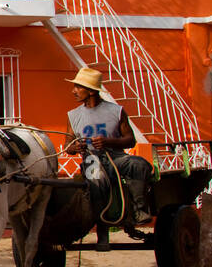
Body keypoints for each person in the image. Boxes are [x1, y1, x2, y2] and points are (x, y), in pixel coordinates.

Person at [62, 67, 153, 250]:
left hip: (116, 158)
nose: (74, 91)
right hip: (91, 160)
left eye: (78, 87)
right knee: (96, 180)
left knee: (140, 165)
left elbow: (130, 140)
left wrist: (107, 141)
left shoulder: (116, 111)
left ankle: (139, 210)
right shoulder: (73, 115)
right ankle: (102, 232)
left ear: (91, 91)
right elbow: (67, 146)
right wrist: (76, 147)